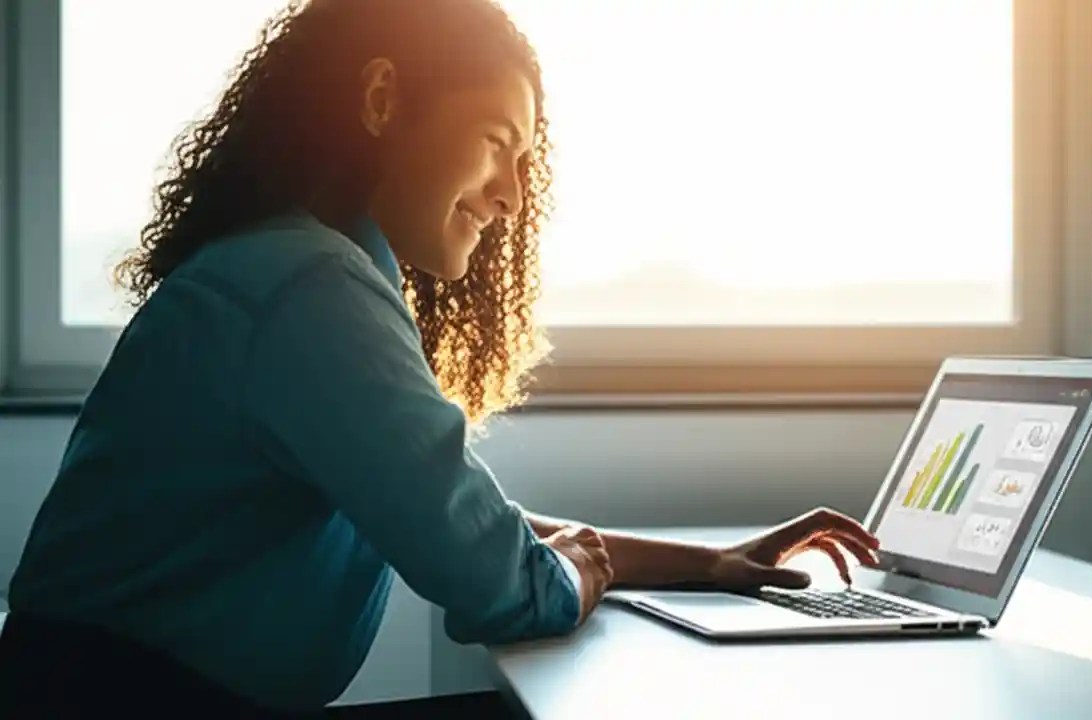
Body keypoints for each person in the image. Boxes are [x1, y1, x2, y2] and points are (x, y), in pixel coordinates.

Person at [0, 0, 881, 717]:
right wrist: (578, 574)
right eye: (498, 142)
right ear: (383, 101)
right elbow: (499, 580)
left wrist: (710, 564)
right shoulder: (310, 287)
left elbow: (470, 523)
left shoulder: (288, 268)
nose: (510, 195)